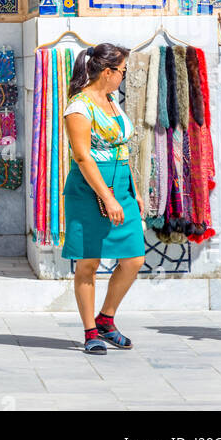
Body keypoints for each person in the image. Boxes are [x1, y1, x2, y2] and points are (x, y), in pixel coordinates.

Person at [63, 43, 145, 354]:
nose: (124, 77)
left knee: (134, 258)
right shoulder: (79, 107)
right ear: (108, 72)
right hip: (89, 192)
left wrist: (132, 189)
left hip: (121, 187)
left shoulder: (112, 101)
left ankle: (107, 319)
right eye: (122, 71)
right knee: (89, 262)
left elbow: (123, 149)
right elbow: (83, 157)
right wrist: (107, 198)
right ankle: (90, 331)